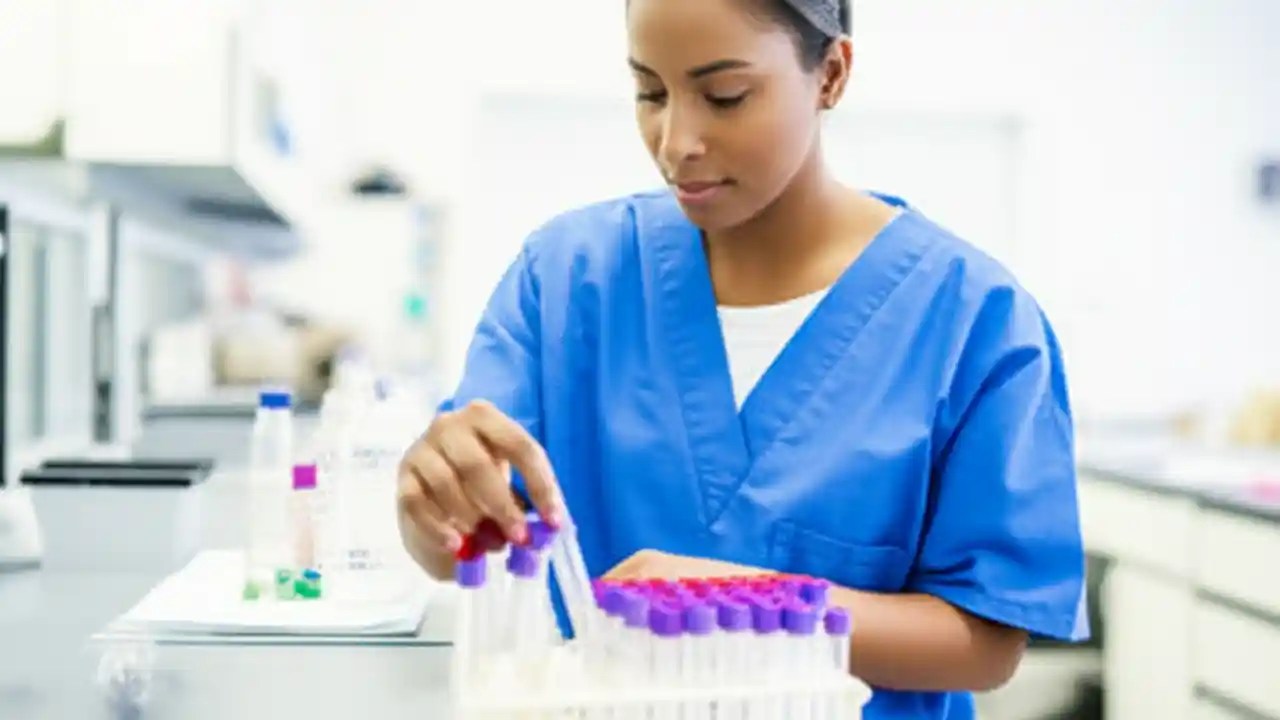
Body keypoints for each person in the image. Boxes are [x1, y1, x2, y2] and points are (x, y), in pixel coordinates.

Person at [396, 0, 1089, 717]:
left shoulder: (975, 322)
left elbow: (984, 641)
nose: (676, 143)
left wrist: (745, 606)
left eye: (725, 96)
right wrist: (428, 507)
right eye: (651, 93)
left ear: (831, 74)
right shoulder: (569, 279)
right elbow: (461, 548)